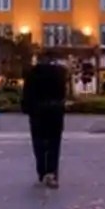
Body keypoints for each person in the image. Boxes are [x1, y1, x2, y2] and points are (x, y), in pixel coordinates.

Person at [22, 54, 68, 188]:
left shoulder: (32, 73)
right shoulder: (59, 73)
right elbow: (63, 93)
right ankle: (52, 172)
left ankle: (42, 171)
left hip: (37, 112)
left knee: (39, 143)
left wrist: (27, 108)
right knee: (54, 143)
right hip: (55, 112)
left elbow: (27, 93)